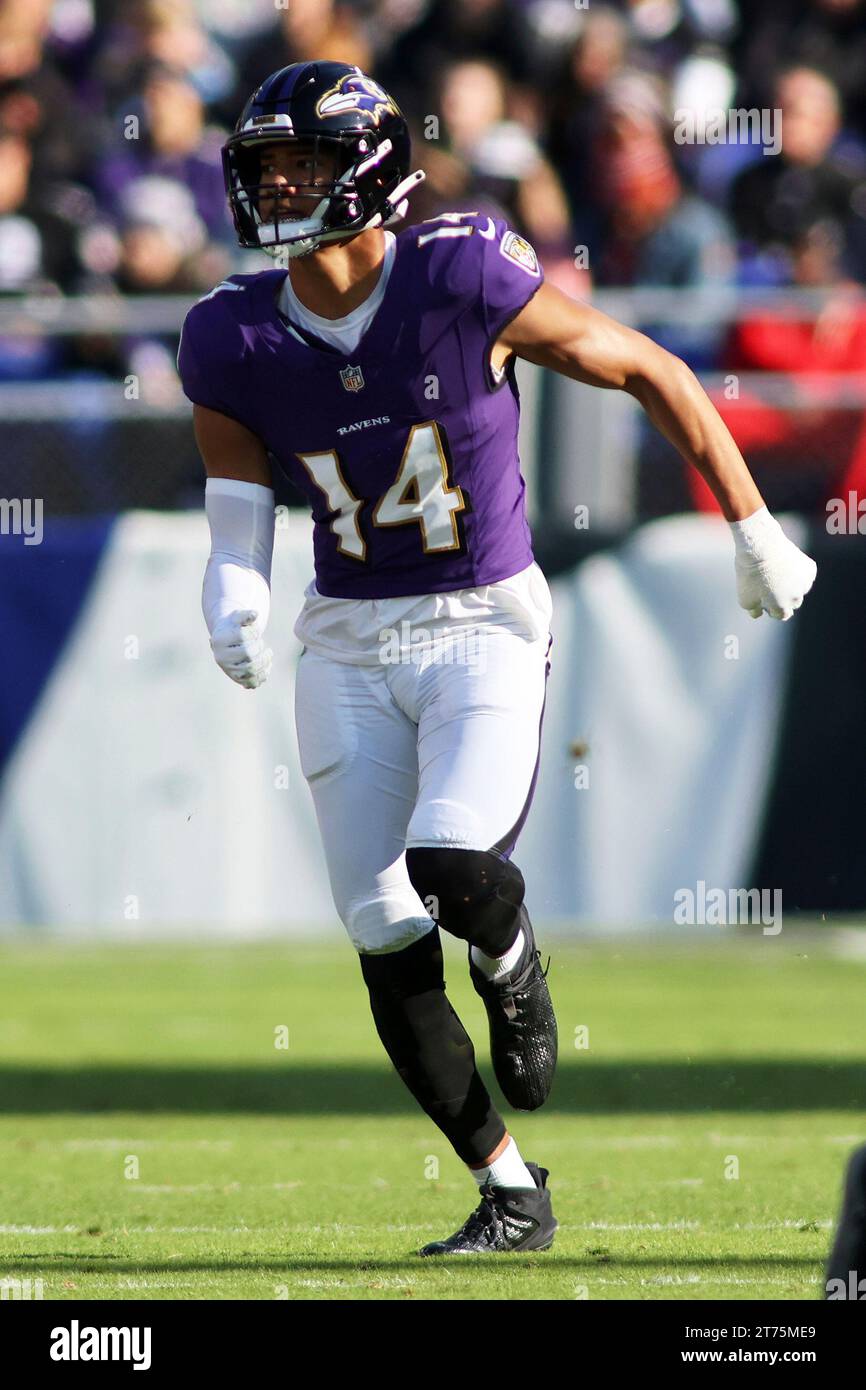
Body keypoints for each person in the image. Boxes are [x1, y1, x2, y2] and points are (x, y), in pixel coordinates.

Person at [177, 61, 818, 1256]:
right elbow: (233, 506)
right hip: (348, 639)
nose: (277, 186)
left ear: (365, 170)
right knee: (378, 924)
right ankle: (508, 1190)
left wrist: (748, 525)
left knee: (451, 856)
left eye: (302, 165)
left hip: (479, 619)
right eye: (264, 167)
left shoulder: (458, 270)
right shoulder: (231, 333)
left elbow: (646, 367)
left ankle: (512, 957)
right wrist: (234, 589)